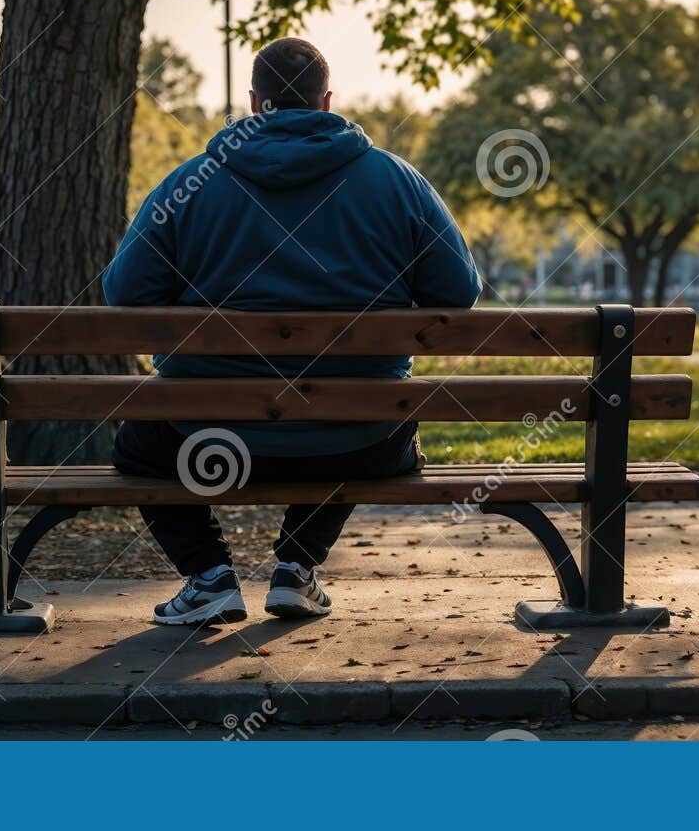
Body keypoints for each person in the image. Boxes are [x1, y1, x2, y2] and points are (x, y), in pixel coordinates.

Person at [101, 37, 481, 626]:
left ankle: (209, 577)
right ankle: (296, 569)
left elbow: (124, 293)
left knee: (137, 442)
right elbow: (458, 292)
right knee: (364, 416)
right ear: (326, 100)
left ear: (256, 103)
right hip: (360, 439)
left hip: (203, 438)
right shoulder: (398, 182)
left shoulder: (191, 184)